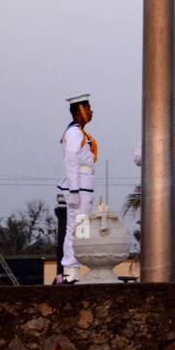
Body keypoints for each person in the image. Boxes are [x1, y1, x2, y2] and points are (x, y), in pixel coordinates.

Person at [133, 104, 175, 278]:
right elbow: (137, 158)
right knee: (154, 226)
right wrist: (153, 147)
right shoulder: (150, 133)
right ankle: (155, 263)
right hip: (156, 188)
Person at [58, 93, 97, 284]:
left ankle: (74, 271)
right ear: (80, 110)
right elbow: (70, 162)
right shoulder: (74, 133)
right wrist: (73, 190)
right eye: (88, 108)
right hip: (78, 187)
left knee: (81, 229)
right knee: (75, 227)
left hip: (84, 186)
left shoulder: (80, 132)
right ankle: (69, 271)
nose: (91, 112)